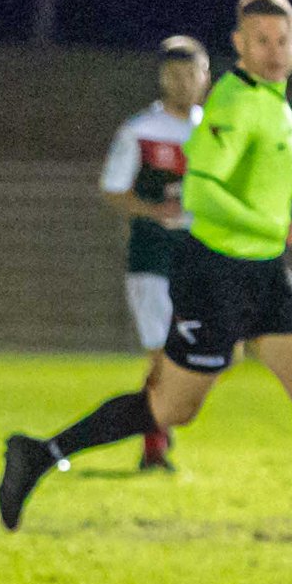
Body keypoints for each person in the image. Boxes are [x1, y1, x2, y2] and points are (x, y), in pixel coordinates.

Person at [0, 0, 292, 579]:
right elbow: (201, 195)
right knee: (171, 409)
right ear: (239, 46)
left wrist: (274, 238)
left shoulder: (277, 104)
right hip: (216, 277)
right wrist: (284, 227)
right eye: (262, 41)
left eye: (284, 40)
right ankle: (38, 454)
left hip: (264, 277)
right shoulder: (233, 102)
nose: (275, 51)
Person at [97, 35, 211, 469]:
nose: (183, 83)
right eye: (175, 74)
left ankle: (157, 424)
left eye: (191, 73)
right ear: (163, 78)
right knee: (163, 356)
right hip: (153, 257)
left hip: (203, 256)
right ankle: (152, 446)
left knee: (214, 353)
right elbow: (112, 190)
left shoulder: (215, 131)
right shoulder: (140, 130)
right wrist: (153, 210)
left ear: (206, 77)